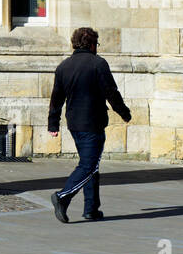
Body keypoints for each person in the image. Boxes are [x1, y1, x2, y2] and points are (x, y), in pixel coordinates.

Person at [47, 26, 131, 222]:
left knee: (91, 164)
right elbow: (111, 92)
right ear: (92, 44)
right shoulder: (98, 64)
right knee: (88, 165)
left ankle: (91, 208)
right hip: (92, 123)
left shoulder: (63, 66)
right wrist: (124, 113)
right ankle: (62, 197)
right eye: (97, 44)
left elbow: (56, 99)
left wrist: (53, 124)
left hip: (74, 124)